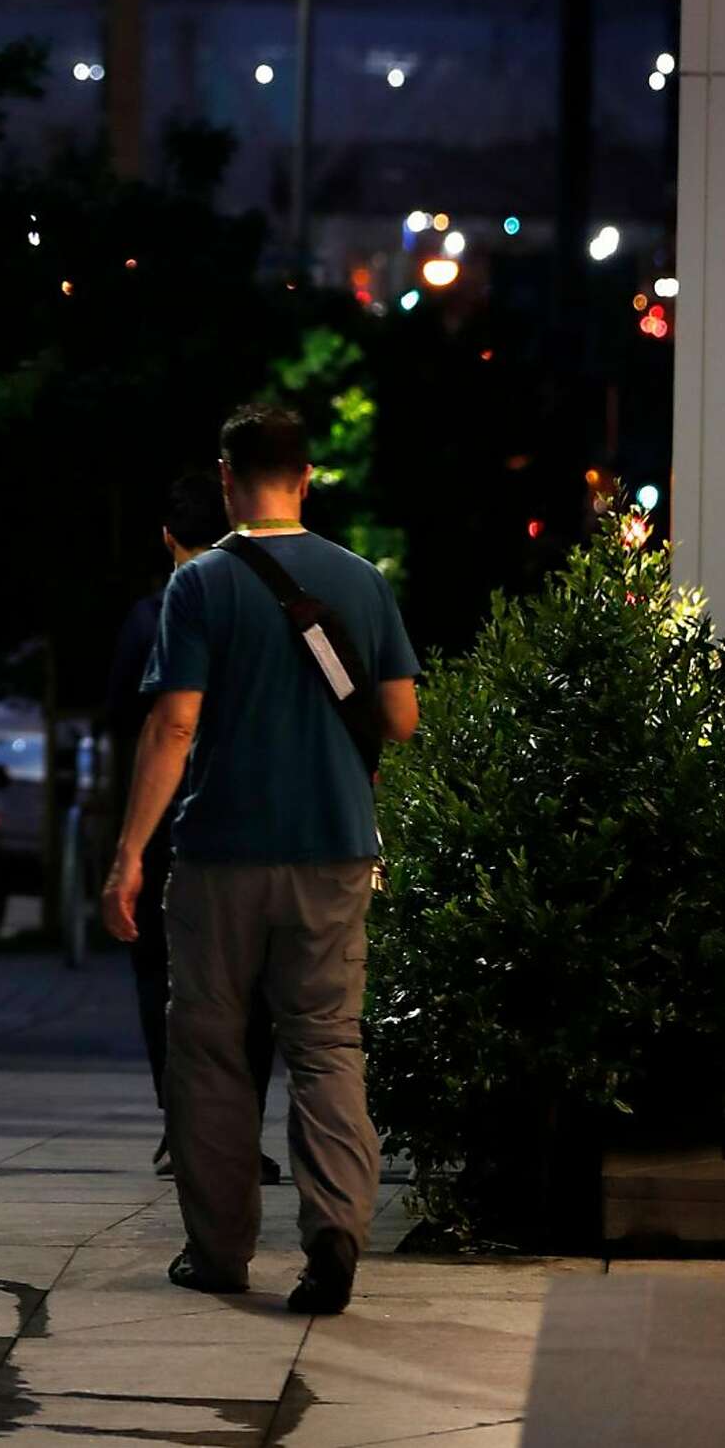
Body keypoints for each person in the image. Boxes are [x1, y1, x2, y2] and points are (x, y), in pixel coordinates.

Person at [104, 402, 419, 1317]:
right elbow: (400, 718)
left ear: (227, 477)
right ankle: (335, 1231)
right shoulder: (362, 580)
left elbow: (174, 725)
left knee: (209, 1049)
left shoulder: (199, 583)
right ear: (307, 477)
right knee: (326, 1043)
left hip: (220, 852)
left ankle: (218, 1251)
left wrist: (129, 853)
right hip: (333, 847)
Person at [104, 473, 277, 1183]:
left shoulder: (151, 618)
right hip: (254, 817)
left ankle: (183, 1126)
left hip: (168, 822)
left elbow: (133, 723)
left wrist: (126, 845)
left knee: (165, 980)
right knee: (254, 986)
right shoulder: (263, 605)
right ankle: (241, 1129)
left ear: (167, 536)